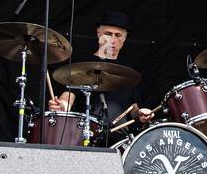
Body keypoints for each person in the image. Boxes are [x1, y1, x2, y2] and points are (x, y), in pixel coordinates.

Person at [49, 10, 154, 139]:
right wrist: (63, 105)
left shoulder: (129, 72)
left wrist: (140, 113)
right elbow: (70, 93)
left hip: (121, 137)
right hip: (87, 134)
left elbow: (133, 107)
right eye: (108, 34)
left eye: (118, 35)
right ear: (99, 33)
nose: (113, 40)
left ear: (125, 38)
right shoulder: (83, 65)